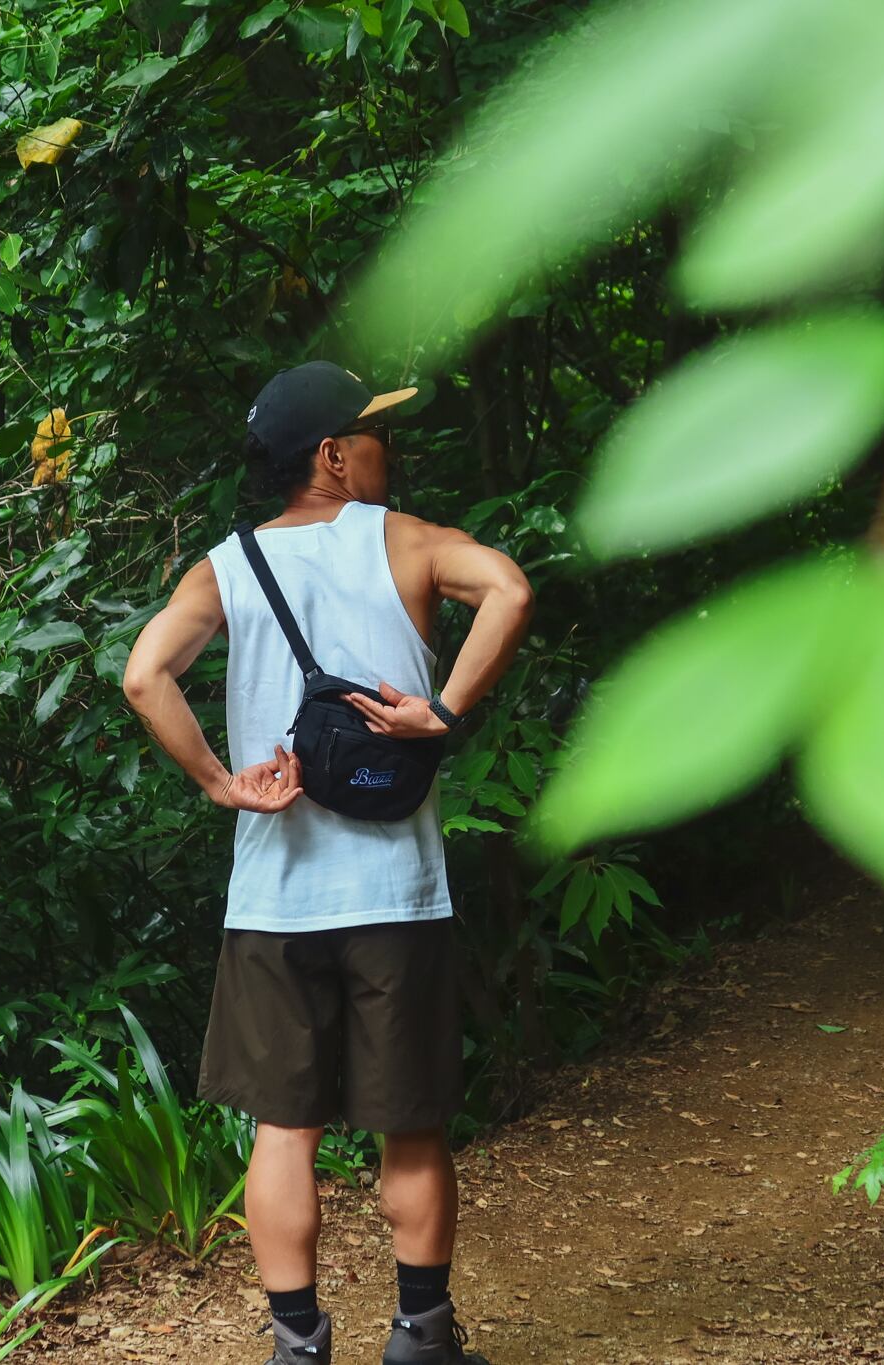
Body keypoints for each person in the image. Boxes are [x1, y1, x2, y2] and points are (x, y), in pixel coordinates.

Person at [121, 360, 535, 1365]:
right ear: (332, 456)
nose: (386, 449)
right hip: (396, 890)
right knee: (412, 1125)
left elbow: (143, 675)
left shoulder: (225, 566)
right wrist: (440, 710)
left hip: (274, 897)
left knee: (284, 1130)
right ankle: (419, 1337)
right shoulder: (409, 543)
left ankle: (298, 1345)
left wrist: (223, 785)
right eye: (370, 434)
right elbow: (509, 591)